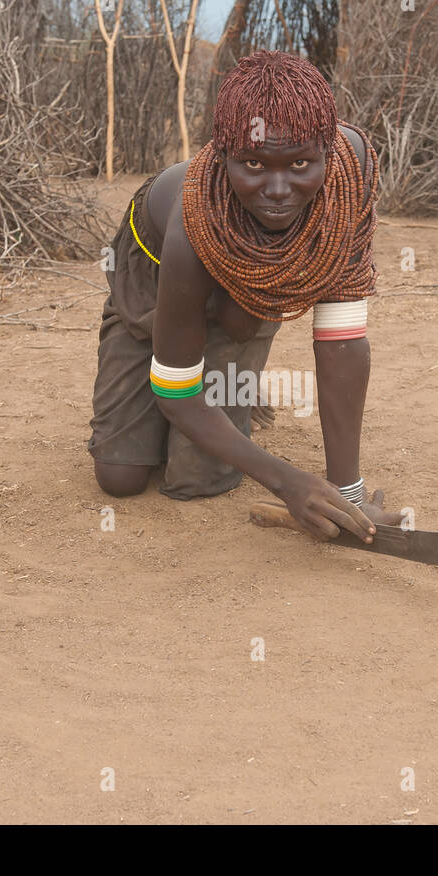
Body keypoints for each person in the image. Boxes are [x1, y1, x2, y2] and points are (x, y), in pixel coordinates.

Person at [86, 49, 403, 542]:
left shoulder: (351, 171)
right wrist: (288, 482)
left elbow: (342, 341)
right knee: (120, 477)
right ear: (222, 151)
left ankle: (222, 366)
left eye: (301, 163)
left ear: (327, 149)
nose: (278, 188)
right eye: (253, 163)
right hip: (156, 274)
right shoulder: (191, 218)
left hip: (252, 283)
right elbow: (176, 392)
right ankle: (149, 349)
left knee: (200, 480)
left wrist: (350, 498)